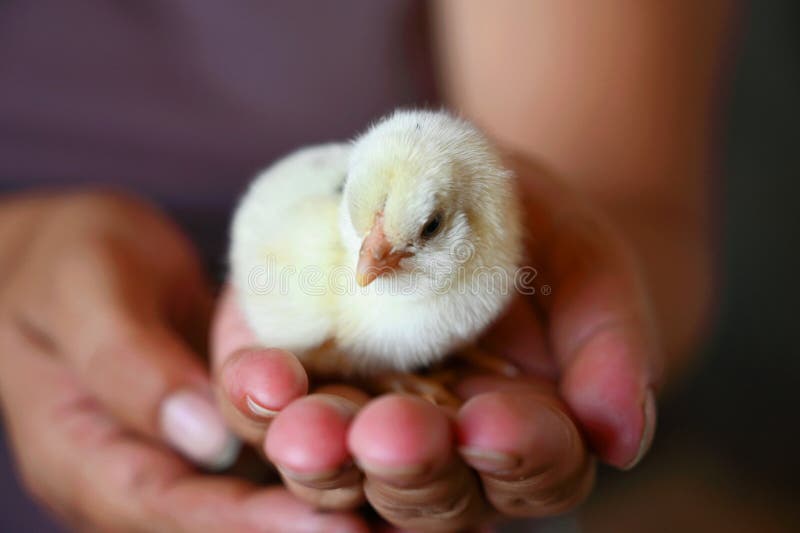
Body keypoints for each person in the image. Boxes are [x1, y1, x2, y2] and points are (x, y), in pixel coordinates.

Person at [0, 1, 730, 531]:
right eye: (367, 232)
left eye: (423, 232)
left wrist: (599, 309)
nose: (370, 261)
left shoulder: (504, 248)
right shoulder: (320, 265)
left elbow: (641, 210)